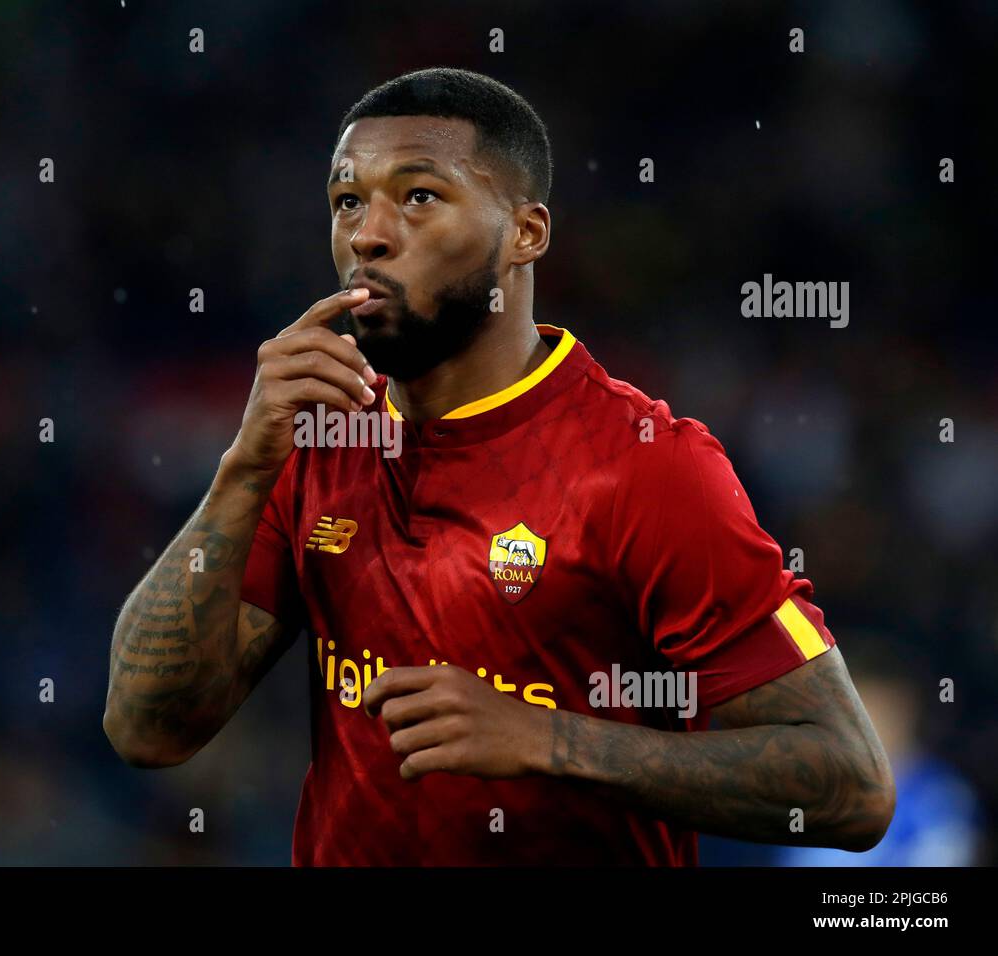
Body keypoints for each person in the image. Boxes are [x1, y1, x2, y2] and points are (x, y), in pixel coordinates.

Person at [103, 67, 895, 865]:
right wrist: (244, 468)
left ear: (526, 234)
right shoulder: (317, 440)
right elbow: (147, 730)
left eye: (418, 196)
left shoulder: (646, 466)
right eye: (348, 200)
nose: (368, 235)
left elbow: (851, 786)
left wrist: (550, 739)